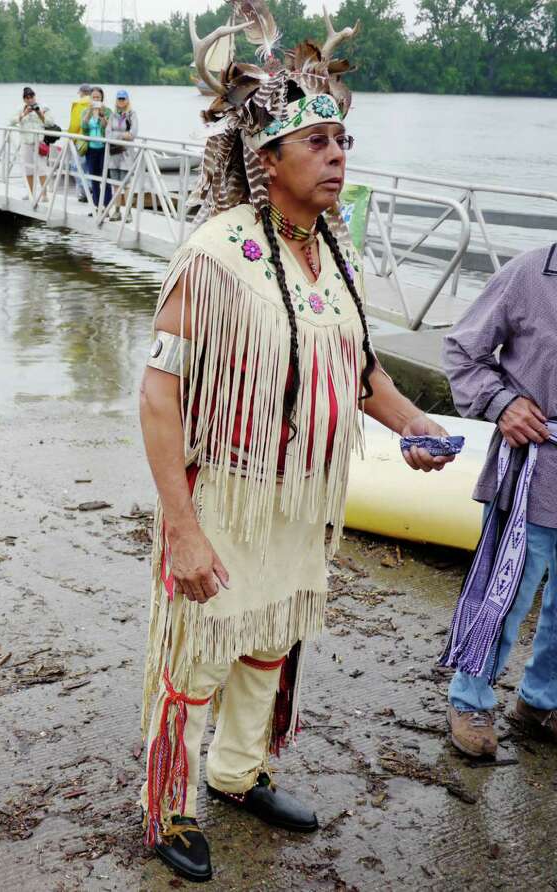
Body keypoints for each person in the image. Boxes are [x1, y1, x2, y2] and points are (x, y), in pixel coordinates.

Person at [137, 8, 453, 883]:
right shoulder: (216, 255)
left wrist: (413, 423)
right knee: (197, 654)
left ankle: (238, 773)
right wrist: (182, 526)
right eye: (317, 142)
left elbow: (360, 371)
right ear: (267, 160)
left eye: (342, 140)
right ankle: (169, 804)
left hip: (304, 498)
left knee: (270, 641)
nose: (337, 155)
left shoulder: (335, 257)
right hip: (225, 494)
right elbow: (159, 394)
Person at [439, 246, 557, 756]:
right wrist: (501, 402)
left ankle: (541, 702)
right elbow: (461, 351)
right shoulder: (530, 273)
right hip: (533, 464)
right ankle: (470, 699)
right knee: (504, 593)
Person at [9, 87, 54, 199]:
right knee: (28, 168)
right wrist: (23, 114)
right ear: (24, 99)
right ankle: (30, 193)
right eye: (27, 98)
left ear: (35, 96)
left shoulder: (44, 107)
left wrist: (39, 113)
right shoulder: (20, 108)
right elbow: (11, 121)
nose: (30, 100)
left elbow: (50, 123)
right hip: (26, 142)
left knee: (42, 168)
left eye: (31, 97)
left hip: (40, 142)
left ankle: (44, 195)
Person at [104, 90, 138, 220]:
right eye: (119, 99)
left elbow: (133, 134)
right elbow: (107, 134)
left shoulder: (132, 115)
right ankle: (117, 211)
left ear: (127, 100)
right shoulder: (113, 115)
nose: (121, 101)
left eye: (123, 99)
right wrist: (122, 135)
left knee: (126, 185)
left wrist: (116, 135)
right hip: (114, 154)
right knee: (115, 184)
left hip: (126, 154)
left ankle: (128, 213)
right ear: (116, 100)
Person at [61, 84, 92, 202]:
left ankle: (86, 190)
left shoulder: (78, 104)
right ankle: (87, 192)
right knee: (88, 168)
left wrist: (70, 138)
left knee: (76, 167)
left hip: (80, 140)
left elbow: (75, 125)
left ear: (81, 93)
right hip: (94, 140)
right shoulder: (95, 104)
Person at [80, 87, 110, 209]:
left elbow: (107, 128)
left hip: (104, 148)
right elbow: (84, 128)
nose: (96, 99)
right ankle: (96, 206)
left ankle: (107, 206)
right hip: (91, 149)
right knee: (94, 178)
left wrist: (102, 115)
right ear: (90, 99)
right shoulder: (85, 111)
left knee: (106, 177)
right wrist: (89, 112)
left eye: (98, 97)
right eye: (94, 97)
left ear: (102, 98)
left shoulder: (107, 111)